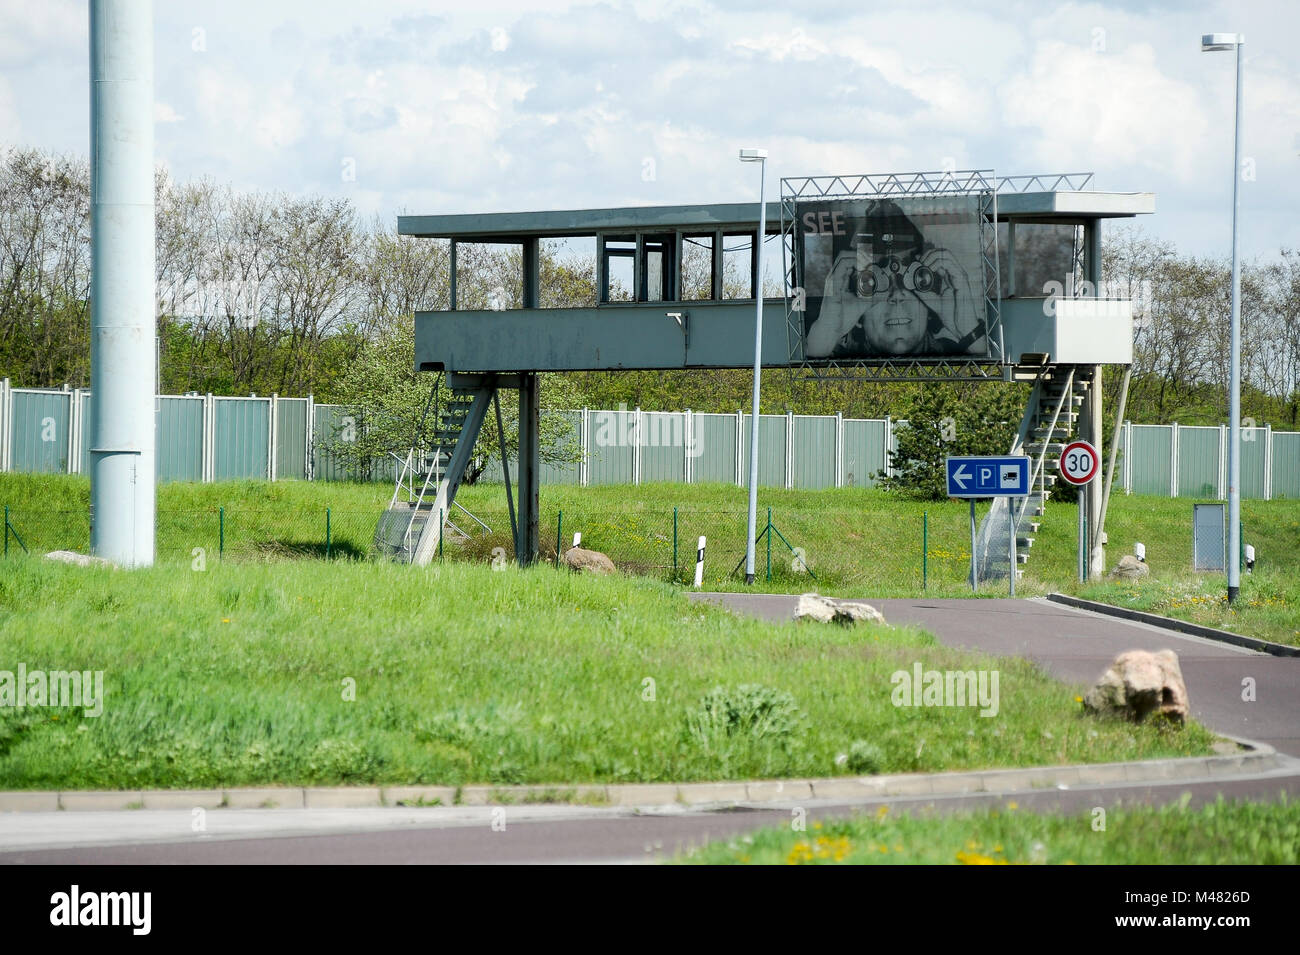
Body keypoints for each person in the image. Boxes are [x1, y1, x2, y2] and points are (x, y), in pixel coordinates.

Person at [803, 199, 986, 358]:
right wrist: (826, 332)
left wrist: (968, 330)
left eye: (916, 279)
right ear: (850, 297)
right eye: (871, 282)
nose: (896, 296)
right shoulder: (827, 355)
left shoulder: (963, 348)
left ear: (932, 291)